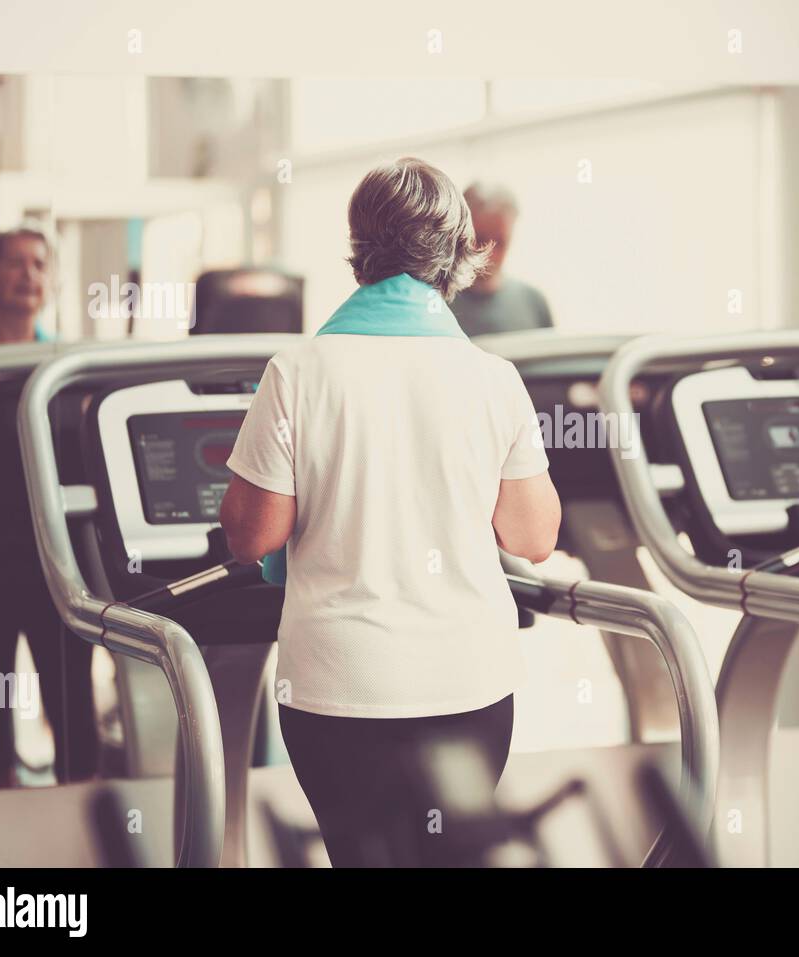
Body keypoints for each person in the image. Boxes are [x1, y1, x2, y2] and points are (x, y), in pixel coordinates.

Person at [220, 157, 561, 866]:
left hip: (341, 689)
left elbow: (253, 536)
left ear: (359, 246)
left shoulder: (297, 372)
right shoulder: (494, 379)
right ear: (457, 254)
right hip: (469, 686)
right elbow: (533, 537)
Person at [0, 228, 98, 788]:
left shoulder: (65, 362)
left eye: (38, 264)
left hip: (55, 557)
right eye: (13, 263)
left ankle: (79, 815)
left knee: (71, 698)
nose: (28, 274)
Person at [448, 182, 554, 337]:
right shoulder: (435, 306)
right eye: (479, 239)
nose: (488, 255)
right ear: (459, 232)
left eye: (499, 242)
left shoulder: (534, 303)